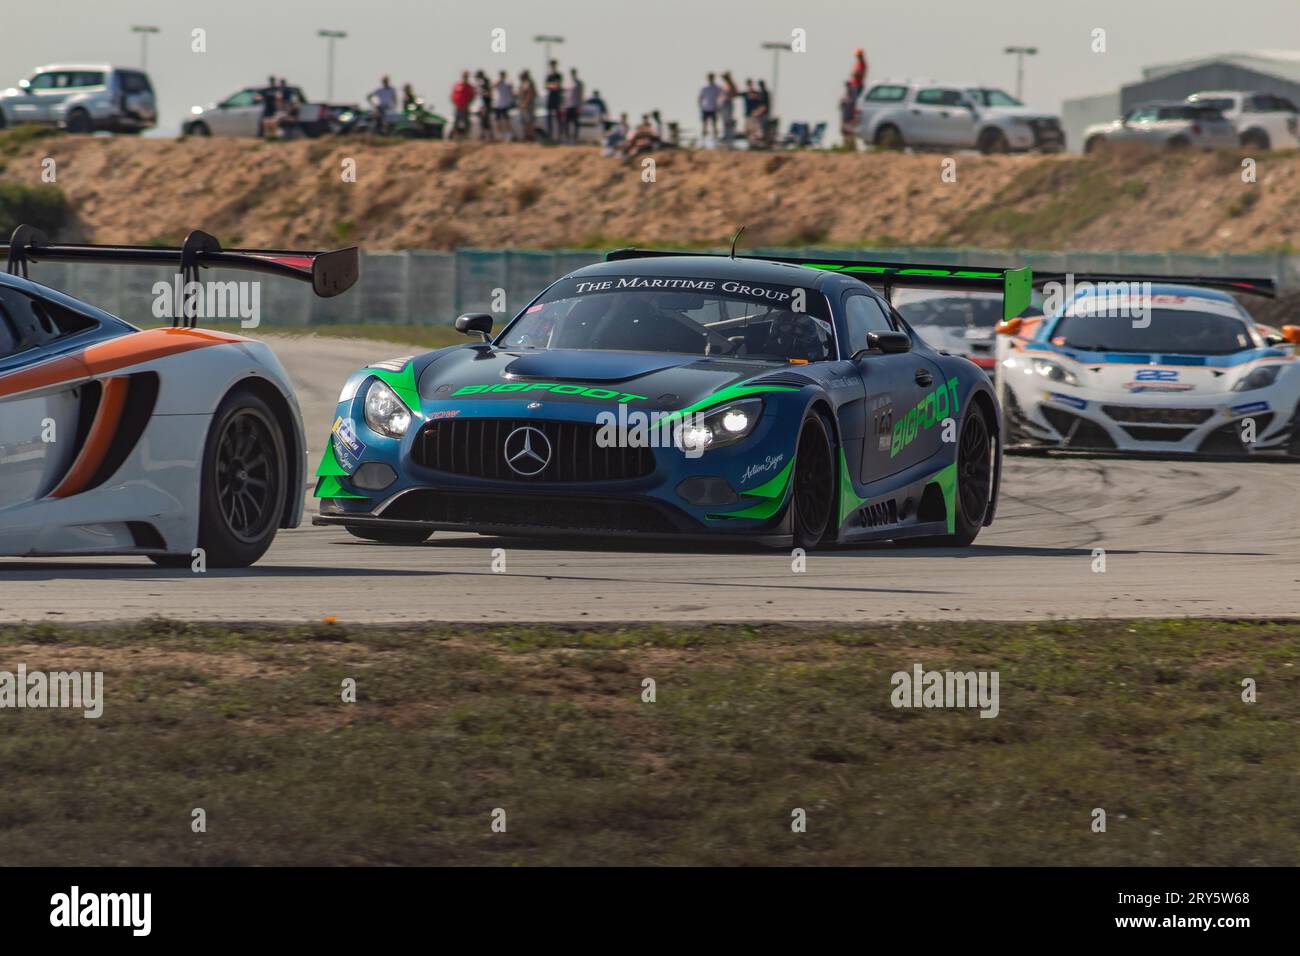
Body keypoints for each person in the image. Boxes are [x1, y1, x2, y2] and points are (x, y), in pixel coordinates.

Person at [450, 70, 475, 139]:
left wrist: (467, 104)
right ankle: (455, 137)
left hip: (465, 107)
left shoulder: (470, 86)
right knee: (456, 122)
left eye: (466, 76)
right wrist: (455, 103)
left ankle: (466, 136)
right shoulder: (457, 85)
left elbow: (472, 96)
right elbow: (452, 95)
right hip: (458, 106)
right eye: (464, 76)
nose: (465, 77)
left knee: (466, 122)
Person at [698, 72, 722, 142]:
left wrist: (718, 107)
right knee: (704, 125)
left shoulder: (717, 88)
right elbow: (700, 98)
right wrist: (701, 107)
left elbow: (720, 97)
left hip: (714, 109)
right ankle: (703, 141)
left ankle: (715, 141)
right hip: (705, 109)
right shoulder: (705, 88)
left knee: (714, 125)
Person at [544, 60, 564, 140]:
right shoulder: (549, 75)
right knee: (549, 118)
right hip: (550, 98)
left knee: (558, 117)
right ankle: (550, 135)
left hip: (557, 98)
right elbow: (546, 86)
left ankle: (559, 135)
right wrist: (553, 85)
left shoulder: (558, 75)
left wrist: (551, 85)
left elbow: (557, 85)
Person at [492, 70, 515, 140]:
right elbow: (493, 85)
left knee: (507, 120)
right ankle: (500, 135)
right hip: (497, 105)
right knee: (498, 121)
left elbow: (511, 91)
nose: (502, 77)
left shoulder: (507, 84)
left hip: (505, 105)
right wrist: (500, 81)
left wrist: (510, 86)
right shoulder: (497, 82)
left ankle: (510, 135)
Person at [564, 68, 584, 143]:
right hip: (567, 106)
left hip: (575, 105)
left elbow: (581, 95)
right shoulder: (568, 83)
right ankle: (567, 138)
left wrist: (580, 106)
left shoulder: (579, 83)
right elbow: (565, 95)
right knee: (566, 123)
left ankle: (576, 138)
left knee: (575, 123)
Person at [517, 70, 538, 141]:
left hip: (528, 106)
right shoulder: (524, 83)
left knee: (529, 122)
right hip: (525, 106)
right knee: (525, 122)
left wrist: (525, 103)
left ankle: (531, 136)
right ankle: (527, 136)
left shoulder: (528, 83)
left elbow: (531, 94)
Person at [719, 71, 738, 146]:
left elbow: (735, 94)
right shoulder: (725, 85)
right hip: (724, 105)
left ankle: (729, 140)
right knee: (725, 123)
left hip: (728, 104)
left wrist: (728, 98)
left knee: (728, 122)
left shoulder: (731, 84)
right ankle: (726, 139)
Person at [839, 81, 859, 149]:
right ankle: (846, 147)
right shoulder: (846, 97)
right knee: (846, 135)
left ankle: (851, 148)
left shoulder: (853, 96)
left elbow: (855, 106)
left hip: (850, 119)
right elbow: (841, 107)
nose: (847, 88)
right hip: (845, 119)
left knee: (851, 135)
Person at [474, 69, 493, 140]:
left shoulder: (484, 82)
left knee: (485, 120)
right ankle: (485, 134)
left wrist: (482, 93)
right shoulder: (483, 82)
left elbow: (487, 94)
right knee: (483, 120)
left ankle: (487, 135)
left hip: (485, 103)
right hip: (483, 104)